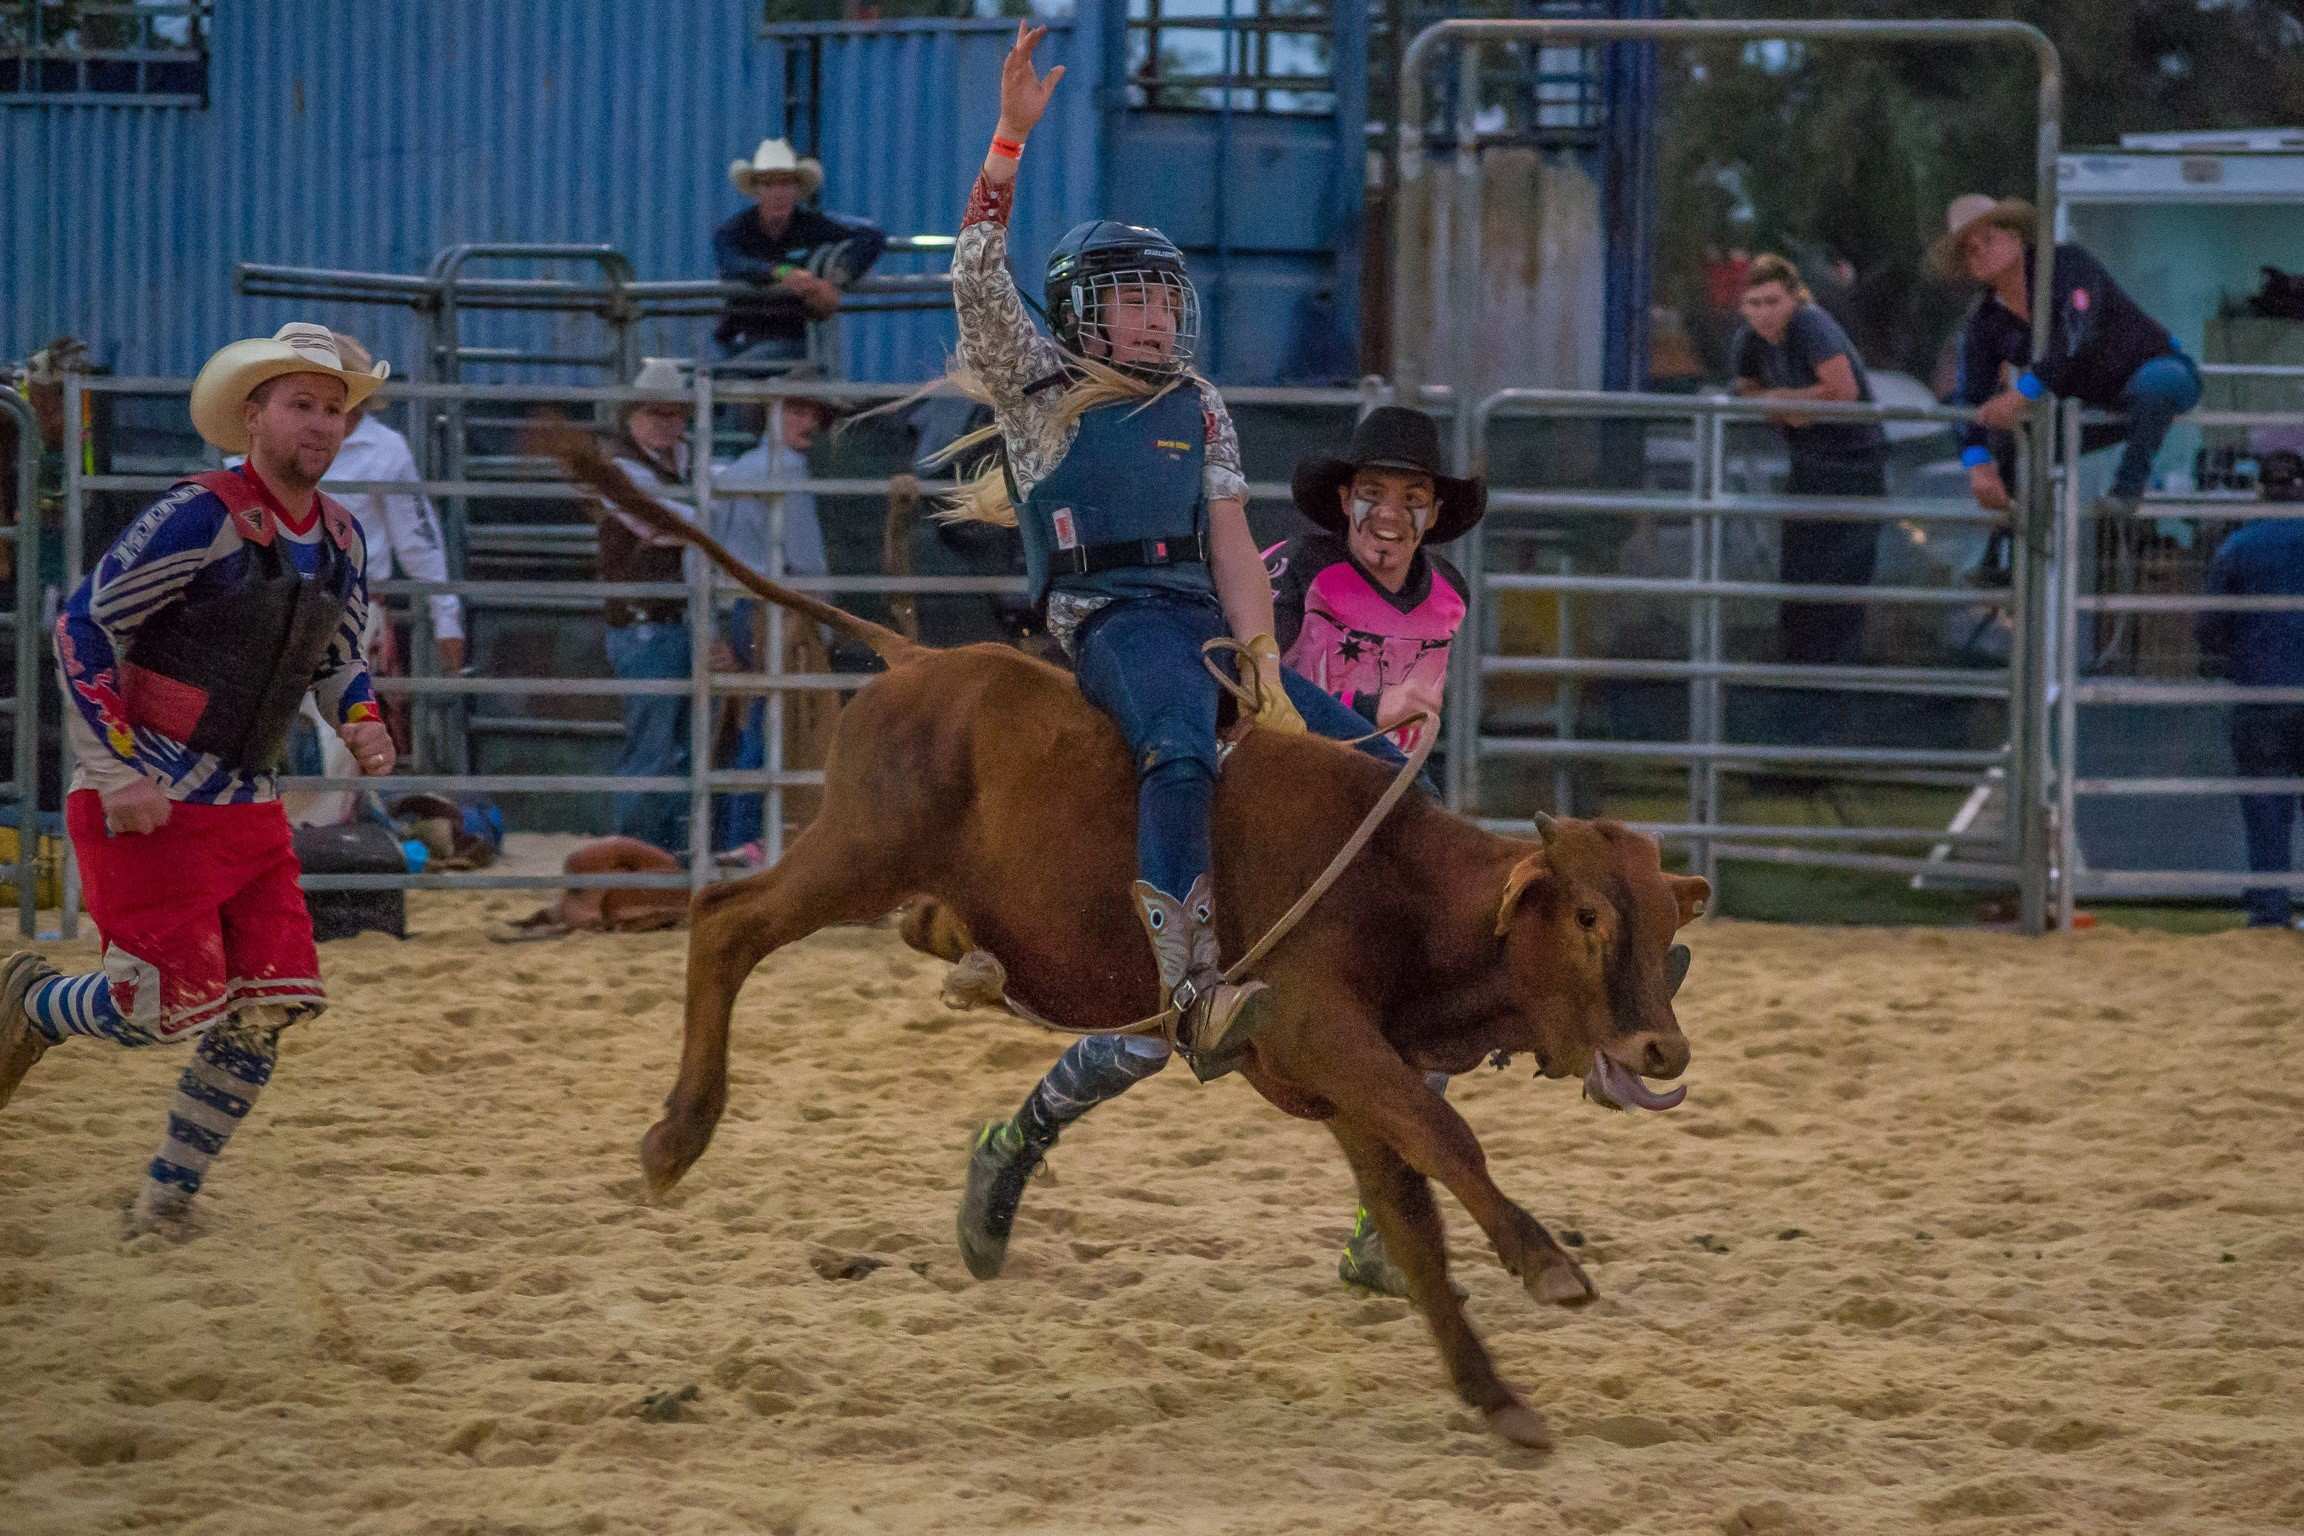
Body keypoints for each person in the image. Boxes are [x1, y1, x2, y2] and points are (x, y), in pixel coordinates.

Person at [946, 25, 1418, 1276]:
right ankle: (1192, 971)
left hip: (1203, 620)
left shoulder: (1200, 405)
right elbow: (976, 274)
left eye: (1165, 298)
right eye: (1137, 299)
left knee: (1370, 759)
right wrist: (1009, 142)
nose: (1158, 317)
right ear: (1089, 310)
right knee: (1174, 746)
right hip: (1105, 621)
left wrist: (1264, 662)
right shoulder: (1036, 379)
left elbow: (1227, 542)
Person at [0, 322, 395, 1235]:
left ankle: (168, 1197)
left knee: (270, 1007)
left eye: (335, 410)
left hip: (247, 801)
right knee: (155, 1007)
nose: (323, 425)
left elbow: (340, 656)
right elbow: (84, 626)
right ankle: (36, 1003)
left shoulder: (340, 536)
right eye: (303, 404)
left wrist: (364, 722)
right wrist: (116, 767)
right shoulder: (197, 513)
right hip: (155, 797)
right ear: (252, 416)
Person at [1933, 194, 2202, 521]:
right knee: (2016, 440)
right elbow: (1970, 395)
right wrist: (1977, 462)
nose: (1981, 253)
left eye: (1988, 239)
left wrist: (2023, 393)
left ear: (2015, 235)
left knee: (2158, 382)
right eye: (1970, 251)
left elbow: (2076, 334)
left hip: (2153, 368)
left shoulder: (2068, 265)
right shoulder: (1984, 322)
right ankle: (2010, 548)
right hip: (2091, 402)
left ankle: (2126, 492)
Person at [1731, 253, 1890, 668]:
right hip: (1809, 461)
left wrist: (1785, 401)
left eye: (1773, 302)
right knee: (1800, 570)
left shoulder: (1810, 324)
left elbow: (1843, 391)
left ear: (1794, 300)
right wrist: (1786, 404)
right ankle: (1801, 671)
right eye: (1755, 303)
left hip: (1855, 463)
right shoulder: (1749, 340)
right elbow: (1746, 394)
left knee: (1842, 575)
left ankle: (1836, 675)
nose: (1763, 313)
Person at [707, 371, 839, 863]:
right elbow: (804, 555)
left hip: (743, 608)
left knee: (755, 719)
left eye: (812, 414)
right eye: (797, 411)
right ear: (773, 415)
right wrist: (821, 625)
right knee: (775, 724)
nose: (807, 422)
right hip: (782, 610)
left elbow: (711, 547)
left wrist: (717, 624)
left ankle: (737, 835)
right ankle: (752, 839)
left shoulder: (738, 469)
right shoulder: (791, 472)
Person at [597, 357, 701, 856]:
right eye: (656, 414)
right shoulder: (618, 468)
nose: (667, 424)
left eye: (675, 415)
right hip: (645, 625)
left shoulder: (684, 460)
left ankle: (663, 858)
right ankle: (635, 856)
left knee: (678, 749)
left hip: (678, 621)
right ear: (632, 415)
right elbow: (660, 522)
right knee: (654, 749)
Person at [2198, 516, 2304, 931]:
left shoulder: (2240, 544)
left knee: (2266, 804)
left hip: (2263, 690)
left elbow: (2211, 624)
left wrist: (2230, 658)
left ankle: (2271, 908)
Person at [713, 138, 888, 368]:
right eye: (769, 185)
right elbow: (733, 263)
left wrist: (834, 280)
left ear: (797, 189)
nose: (778, 193)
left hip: (796, 338)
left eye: (786, 184)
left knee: (727, 377)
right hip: (742, 334)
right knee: (727, 376)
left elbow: (871, 235)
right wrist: (783, 272)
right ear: (756, 190)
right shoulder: (734, 230)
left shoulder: (811, 224)